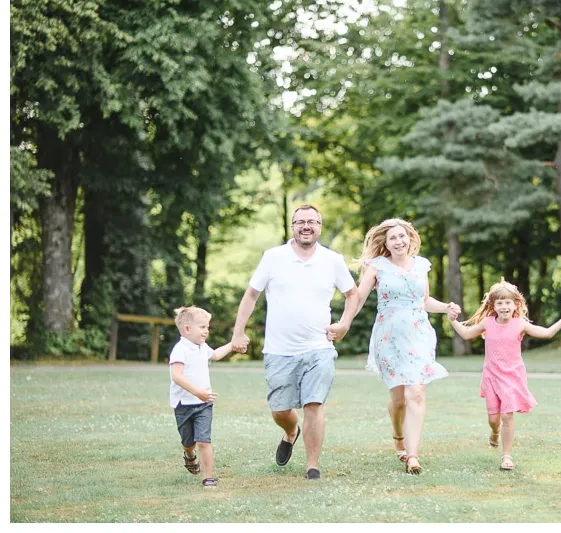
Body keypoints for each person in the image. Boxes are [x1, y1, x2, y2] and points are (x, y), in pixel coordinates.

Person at [230, 204, 359, 480]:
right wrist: (238, 332)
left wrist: (345, 323)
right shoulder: (273, 257)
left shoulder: (332, 260)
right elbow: (252, 294)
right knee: (279, 410)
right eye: (300, 221)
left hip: (319, 347)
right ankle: (291, 431)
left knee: (314, 404)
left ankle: (312, 465)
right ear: (293, 226)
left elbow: (353, 294)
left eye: (312, 221)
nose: (306, 226)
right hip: (279, 350)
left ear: (320, 227)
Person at [340, 217, 459, 474]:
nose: (398, 241)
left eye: (402, 236)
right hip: (388, 337)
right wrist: (343, 324)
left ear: (410, 239)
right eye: (392, 237)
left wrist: (446, 307)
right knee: (399, 399)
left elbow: (424, 300)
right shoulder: (376, 267)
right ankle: (398, 435)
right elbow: (358, 300)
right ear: (386, 242)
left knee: (416, 391)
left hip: (419, 335)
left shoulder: (421, 265)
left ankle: (413, 456)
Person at [449, 279, 561, 471]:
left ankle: (506, 456)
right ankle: (494, 432)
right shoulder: (487, 323)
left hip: (512, 377)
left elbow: (547, 333)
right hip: (491, 376)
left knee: (507, 415)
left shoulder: (520, 324)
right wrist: (452, 320)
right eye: (500, 303)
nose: (504, 306)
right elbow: (465, 334)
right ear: (493, 306)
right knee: (494, 420)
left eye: (508, 302)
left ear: (516, 304)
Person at [169, 306, 240, 489]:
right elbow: (177, 376)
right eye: (202, 327)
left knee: (203, 440)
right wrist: (196, 392)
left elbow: (215, 355)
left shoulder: (202, 347)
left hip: (204, 404)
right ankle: (189, 455)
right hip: (183, 404)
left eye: (207, 327)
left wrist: (232, 345)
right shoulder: (180, 349)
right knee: (188, 441)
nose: (207, 331)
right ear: (187, 329)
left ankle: (208, 478)